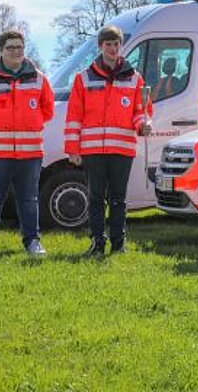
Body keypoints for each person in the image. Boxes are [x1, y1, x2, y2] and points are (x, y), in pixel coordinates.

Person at [64, 25, 152, 257]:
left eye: (116, 44)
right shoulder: (83, 78)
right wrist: (73, 149)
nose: (113, 49)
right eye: (108, 44)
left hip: (122, 148)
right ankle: (97, 242)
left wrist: (143, 123)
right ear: (100, 46)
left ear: (121, 46)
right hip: (92, 150)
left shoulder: (134, 78)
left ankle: (118, 243)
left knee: (118, 199)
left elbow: (141, 109)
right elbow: (74, 116)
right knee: (95, 198)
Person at [0, 30, 54, 257]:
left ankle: (32, 242)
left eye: (20, 47)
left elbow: (47, 110)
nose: (16, 51)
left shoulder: (39, 79)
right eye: (10, 48)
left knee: (29, 198)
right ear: (1, 51)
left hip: (31, 153)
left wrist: (30, 125)